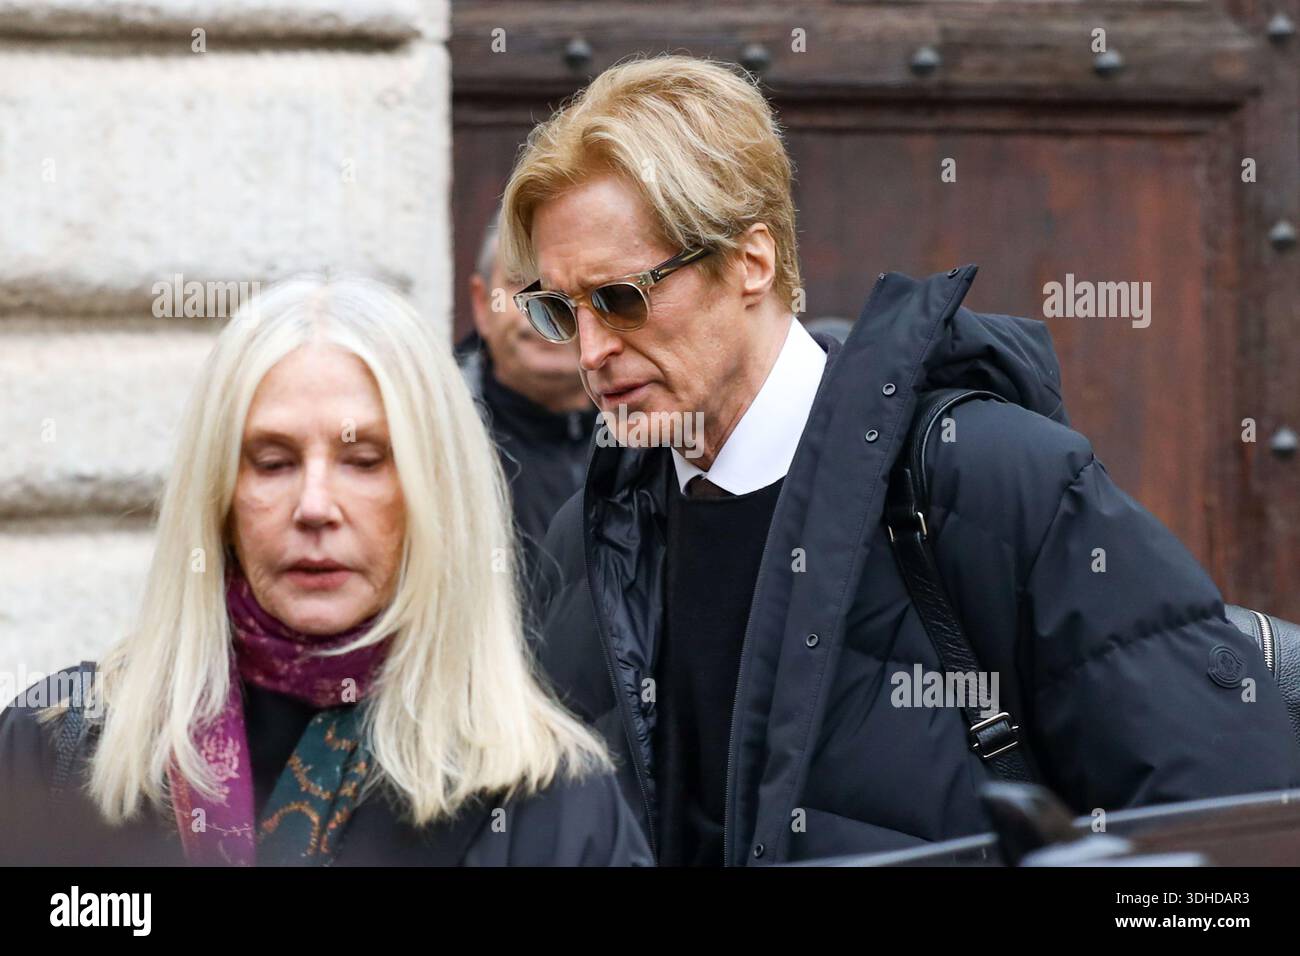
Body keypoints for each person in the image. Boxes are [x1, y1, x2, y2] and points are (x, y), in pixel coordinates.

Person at [497, 54, 1300, 866]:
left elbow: (1233, 842)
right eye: (560, 311)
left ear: (751, 261)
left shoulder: (989, 484)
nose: (590, 350)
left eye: (621, 297)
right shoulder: (594, 538)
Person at [0, 275, 651, 867]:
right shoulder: (55, 749)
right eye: (273, 461)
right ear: (218, 497)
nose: (315, 507)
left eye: (363, 460)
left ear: (435, 494)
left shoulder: (545, 801)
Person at [460, 207, 593, 616]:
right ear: (482, 305)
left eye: (566, 291)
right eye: (521, 285)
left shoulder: (662, 437)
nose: (543, 312)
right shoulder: (434, 437)